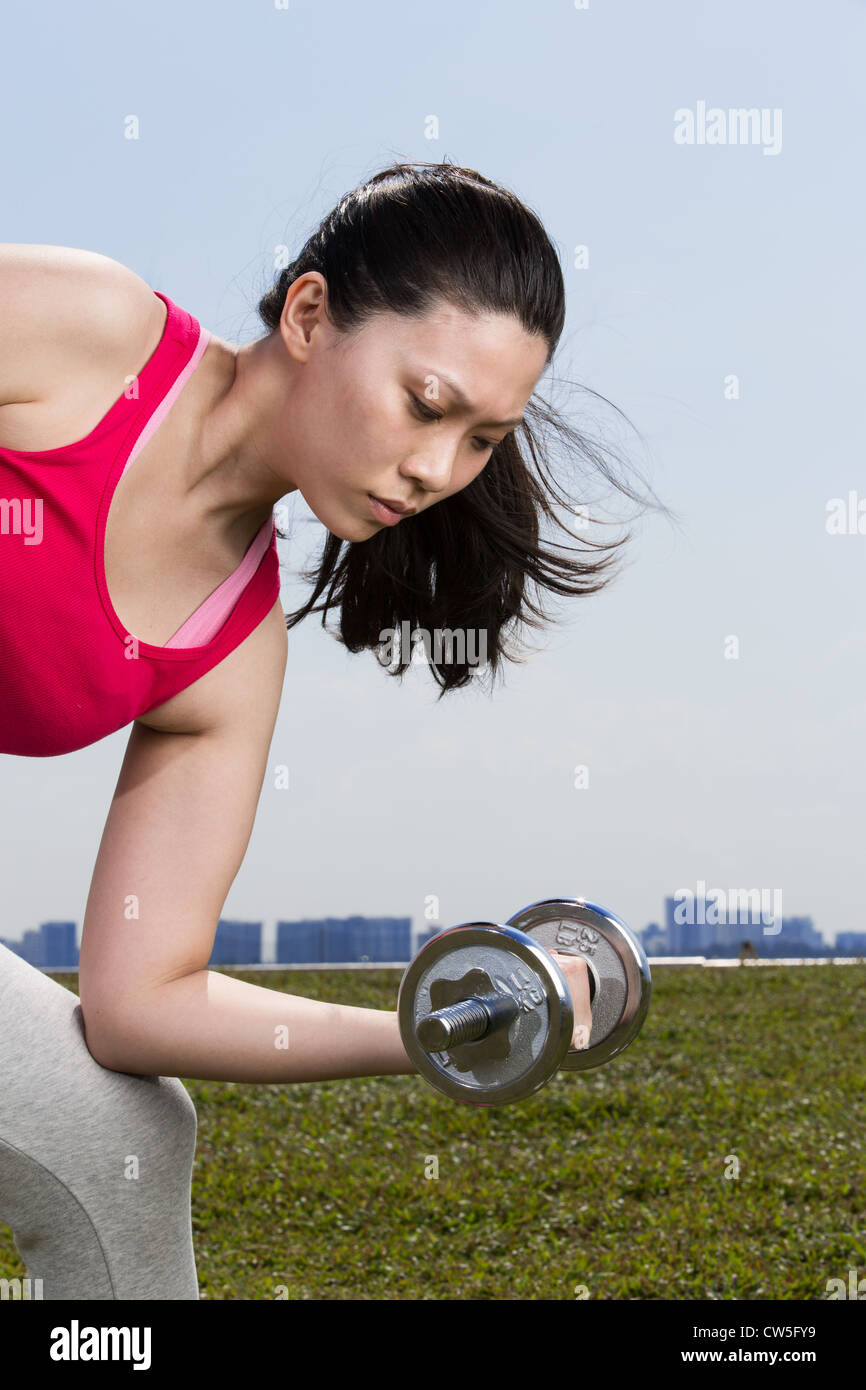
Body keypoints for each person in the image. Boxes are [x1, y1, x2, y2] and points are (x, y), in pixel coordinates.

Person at [0, 160, 664, 1299]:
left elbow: (140, 998)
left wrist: (445, 1021)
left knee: (122, 1136)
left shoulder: (230, 651)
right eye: (426, 405)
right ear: (309, 314)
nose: (434, 470)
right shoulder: (90, 334)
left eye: (481, 442)